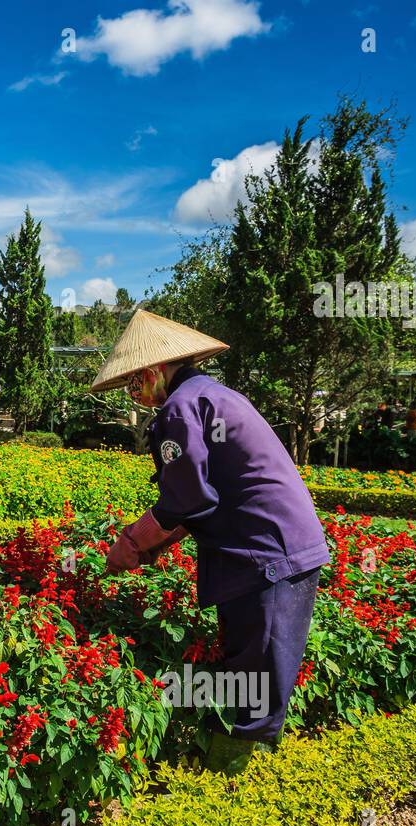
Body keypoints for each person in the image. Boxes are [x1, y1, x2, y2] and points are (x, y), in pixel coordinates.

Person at [91, 310, 330, 775]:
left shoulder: (182, 408)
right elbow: (202, 496)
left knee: (255, 680)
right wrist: (153, 545)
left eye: (133, 383)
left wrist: (131, 545)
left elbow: (186, 498)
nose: (133, 395)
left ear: (155, 371)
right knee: (251, 662)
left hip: (266, 554)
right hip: (271, 549)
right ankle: (228, 775)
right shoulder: (210, 396)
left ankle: (231, 784)